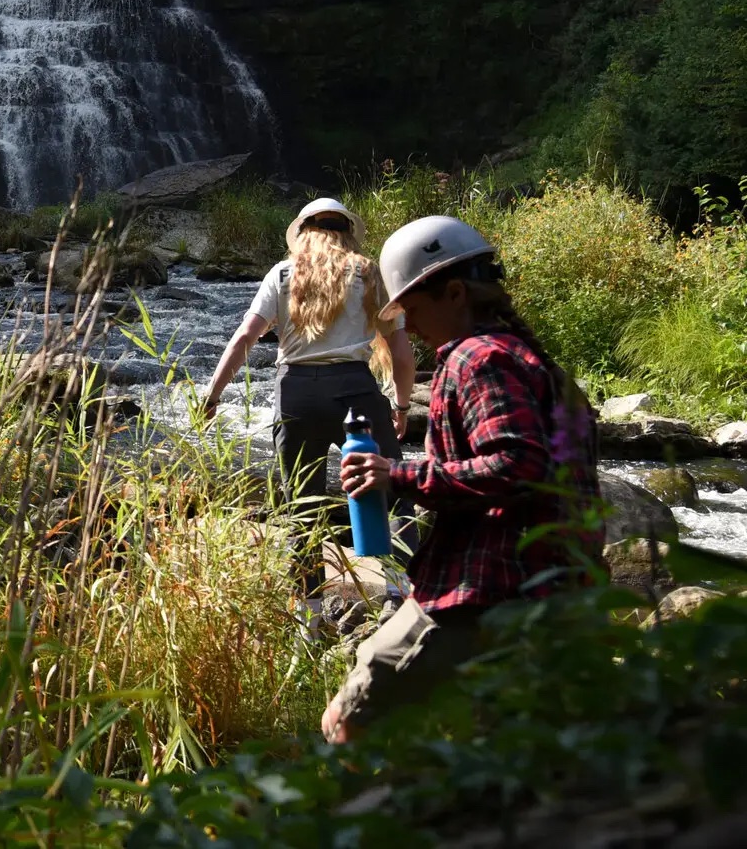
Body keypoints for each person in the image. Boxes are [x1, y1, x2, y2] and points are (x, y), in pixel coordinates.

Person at [323, 215, 602, 743]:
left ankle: (362, 819)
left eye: (412, 309)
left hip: (485, 589)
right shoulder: (531, 358)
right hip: (556, 590)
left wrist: (395, 474)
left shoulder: (478, 360)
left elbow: (518, 464)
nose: (409, 326)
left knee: (346, 722)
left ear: (454, 293)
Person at [201, 198, 416, 595]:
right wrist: (402, 406)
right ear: (349, 233)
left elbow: (245, 337)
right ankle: (401, 596)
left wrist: (212, 395)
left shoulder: (282, 274)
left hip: (296, 394)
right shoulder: (370, 274)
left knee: (302, 505)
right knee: (393, 492)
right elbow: (402, 354)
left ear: (302, 234)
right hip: (356, 391)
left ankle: (310, 614)